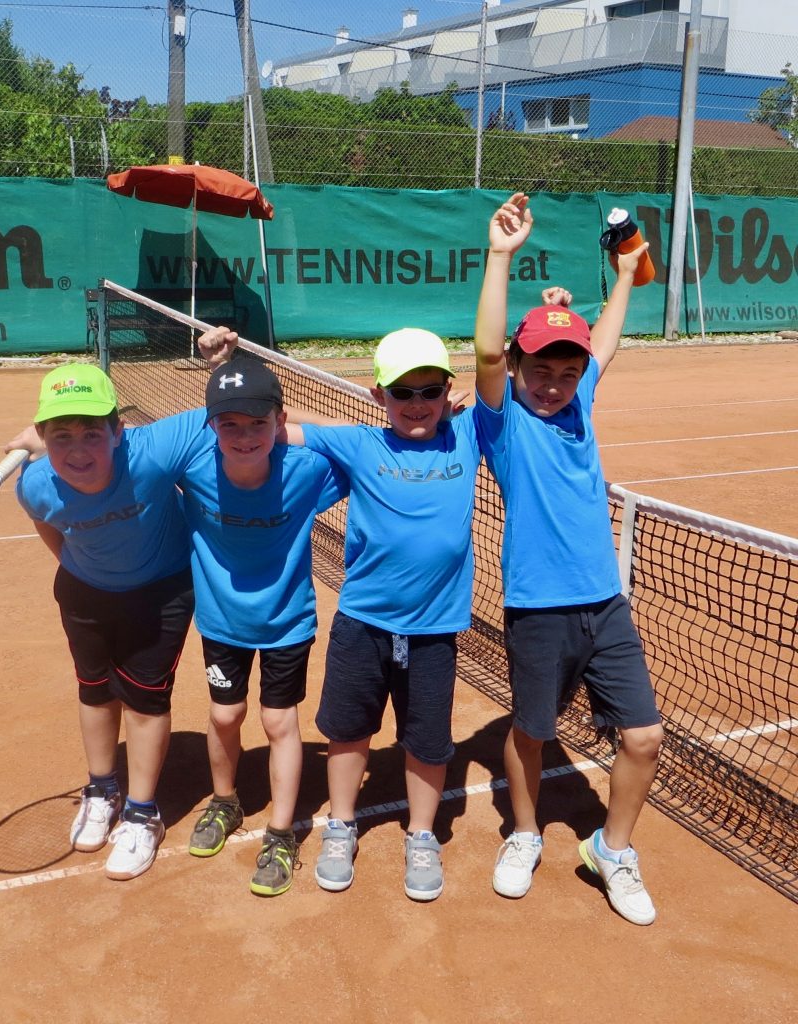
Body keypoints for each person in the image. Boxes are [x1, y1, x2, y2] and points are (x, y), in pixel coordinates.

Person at [203, 326, 480, 902]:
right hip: (362, 623)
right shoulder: (360, 444)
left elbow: (506, 378)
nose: (418, 403)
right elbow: (271, 427)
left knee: (427, 742)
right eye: (402, 393)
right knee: (349, 733)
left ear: (448, 390)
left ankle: (422, 835)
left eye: (431, 391)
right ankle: (340, 825)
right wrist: (230, 367)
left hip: (435, 631)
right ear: (378, 396)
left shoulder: (469, 435)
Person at [472, 192, 664, 925]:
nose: (554, 383)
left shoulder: (580, 400)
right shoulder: (502, 422)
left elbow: (607, 337)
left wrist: (623, 274)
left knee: (643, 738)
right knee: (534, 732)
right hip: (538, 606)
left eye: (566, 370)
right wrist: (501, 256)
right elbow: (487, 351)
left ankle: (611, 850)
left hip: (604, 603)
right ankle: (523, 832)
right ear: (519, 365)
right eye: (540, 369)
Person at [15, 363, 204, 882]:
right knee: (95, 690)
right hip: (82, 590)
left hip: (162, 589)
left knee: (145, 697)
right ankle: (102, 788)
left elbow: (242, 413)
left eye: (92, 434)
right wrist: (83, 571)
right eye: (61, 436)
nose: (78, 450)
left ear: (119, 432)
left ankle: (143, 812)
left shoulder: (155, 451)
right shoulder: (34, 485)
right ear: (43, 438)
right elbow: (49, 529)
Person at [180, 356, 346, 896]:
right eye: (230, 424)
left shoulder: (307, 470)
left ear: (279, 422)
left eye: (258, 424)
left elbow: (370, 445)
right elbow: (122, 449)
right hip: (221, 620)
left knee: (279, 723)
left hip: (287, 623)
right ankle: (224, 801)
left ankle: (280, 832)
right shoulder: (192, 468)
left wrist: (290, 426)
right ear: (210, 425)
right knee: (225, 713)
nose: (244, 436)